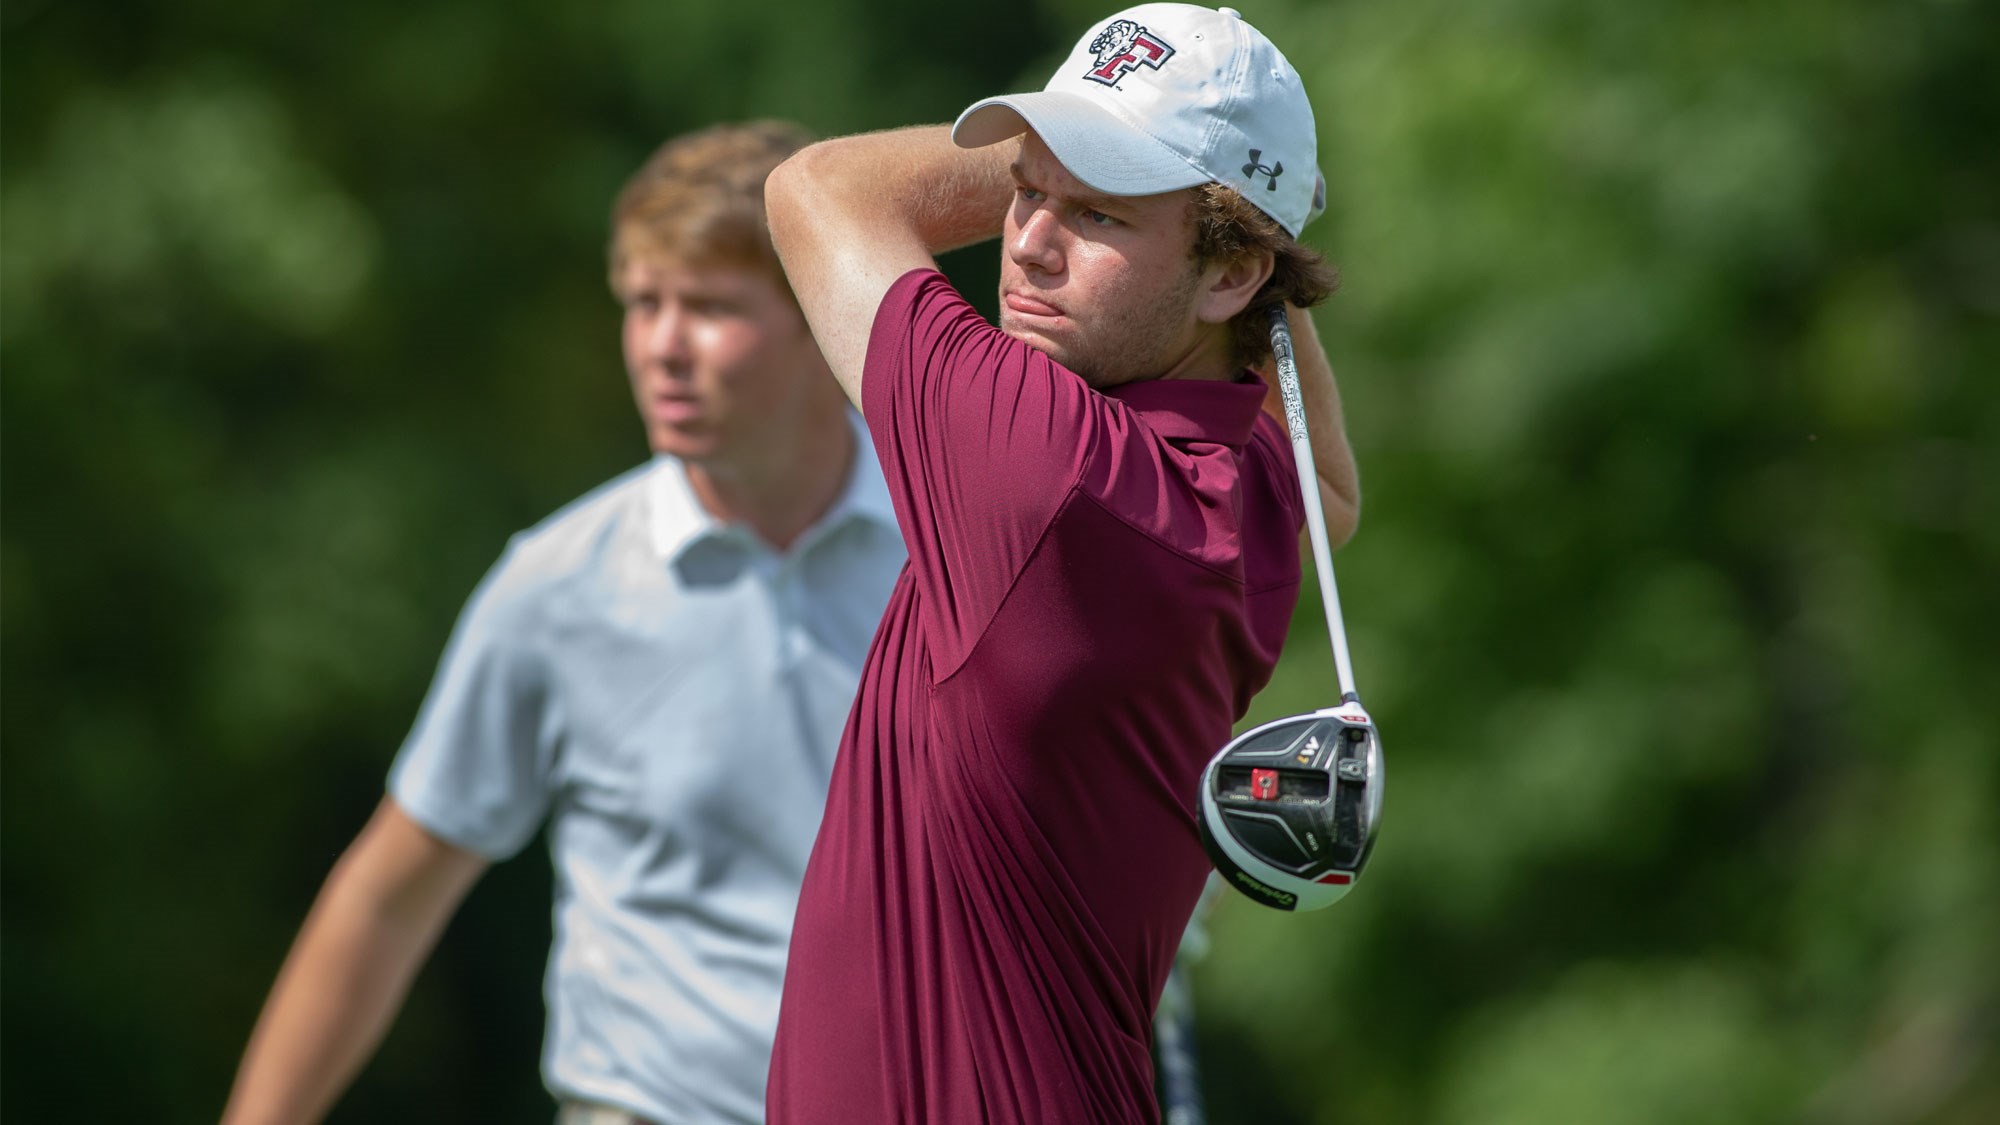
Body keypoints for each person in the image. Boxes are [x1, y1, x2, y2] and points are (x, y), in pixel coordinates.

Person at [220, 121, 906, 1125]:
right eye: (641, 303)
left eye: (711, 308)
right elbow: (386, 895)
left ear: (818, 314)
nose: (663, 346)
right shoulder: (556, 588)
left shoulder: (957, 549)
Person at [757, 5, 1358, 1122]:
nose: (1025, 242)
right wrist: (1228, 217)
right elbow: (1331, 482)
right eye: (1024, 189)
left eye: (1092, 211)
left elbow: (816, 189)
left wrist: (1203, 203)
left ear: (1229, 276)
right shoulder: (1263, 502)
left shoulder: (1044, 462)